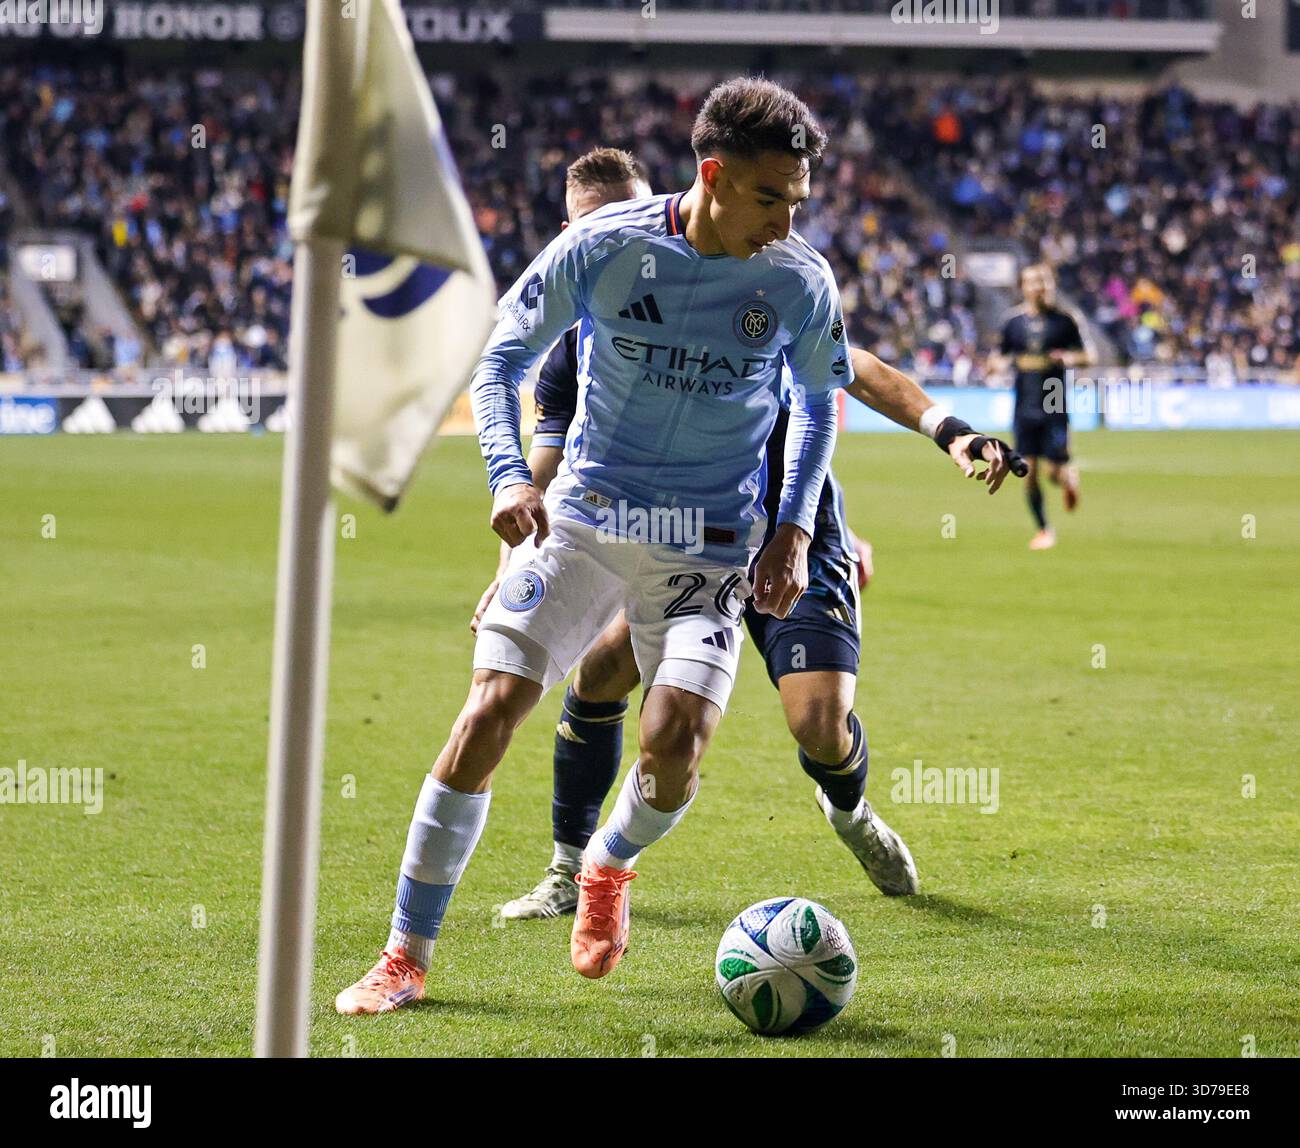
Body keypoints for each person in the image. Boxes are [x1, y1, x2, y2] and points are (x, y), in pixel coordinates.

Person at [336, 77, 854, 1014]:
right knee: (488, 713)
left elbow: (820, 404)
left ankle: (606, 867)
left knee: (675, 742)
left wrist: (794, 528)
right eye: (771, 198)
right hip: (585, 521)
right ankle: (405, 955)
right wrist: (508, 476)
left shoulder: (799, 280)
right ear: (715, 175)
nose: (785, 223)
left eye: (798, 203)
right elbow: (499, 359)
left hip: (708, 544)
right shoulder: (605, 247)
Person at [477, 157, 1015, 924]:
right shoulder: (578, 342)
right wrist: (510, 565)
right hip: (686, 543)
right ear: (571, 235)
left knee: (819, 728)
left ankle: (848, 809)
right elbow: (546, 468)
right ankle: (571, 869)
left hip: (795, 536)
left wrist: (948, 430)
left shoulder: (750, 278)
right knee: (596, 677)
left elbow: (849, 371)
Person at [991, 264, 1094, 550]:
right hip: (1024, 405)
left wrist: (1068, 360)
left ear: (1052, 284)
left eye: (1044, 281)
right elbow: (997, 357)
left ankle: (1068, 480)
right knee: (1027, 470)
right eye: (1033, 282)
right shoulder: (1013, 322)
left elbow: (1089, 356)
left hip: (1054, 401)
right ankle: (1044, 530)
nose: (1039, 287)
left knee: (1054, 472)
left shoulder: (1065, 320)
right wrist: (997, 365)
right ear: (1023, 287)